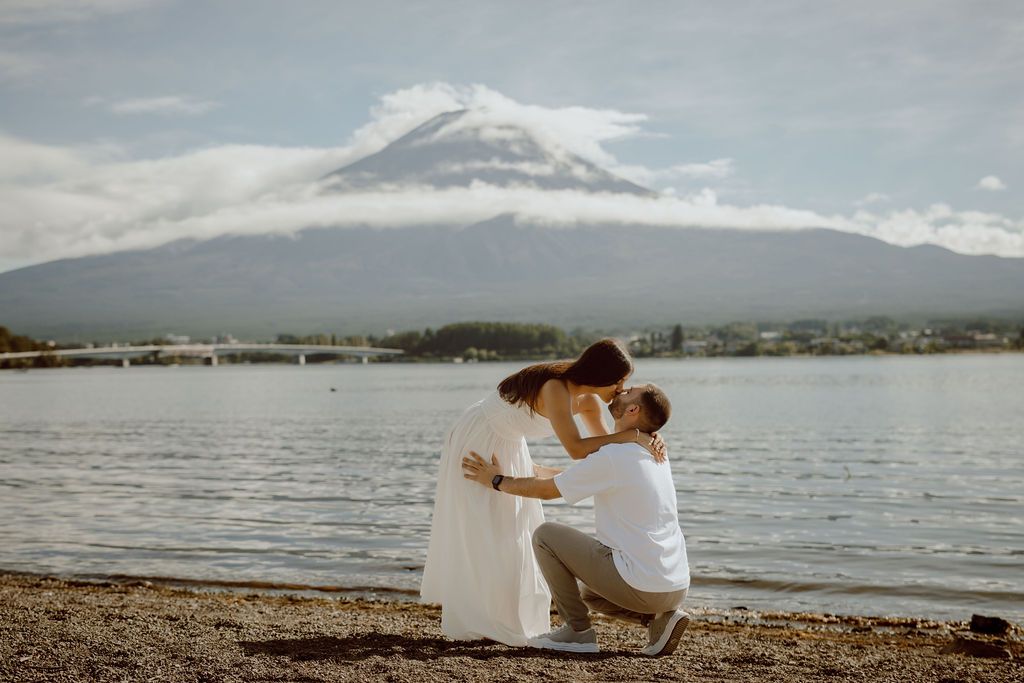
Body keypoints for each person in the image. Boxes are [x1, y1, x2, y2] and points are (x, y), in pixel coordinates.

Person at [421, 339, 665, 646]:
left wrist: (647, 437)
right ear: (601, 374)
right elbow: (577, 448)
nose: (620, 388)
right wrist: (632, 435)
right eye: (619, 381)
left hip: (509, 443)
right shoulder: (555, 388)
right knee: (485, 529)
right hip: (480, 438)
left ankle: (507, 619)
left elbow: (607, 450)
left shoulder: (588, 401)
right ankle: (479, 620)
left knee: (517, 529)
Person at [460, 383, 690, 656]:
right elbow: (580, 476)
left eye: (628, 392)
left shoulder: (615, 456)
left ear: (632, 409)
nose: (621, 390)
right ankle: (658, 620)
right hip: (674, 586)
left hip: (642, 585)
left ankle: (578, 632)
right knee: (588, 595)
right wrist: (528, 470)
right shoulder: (655, 454)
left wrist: (496, 480)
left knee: (546, 536)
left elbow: (548, 492)